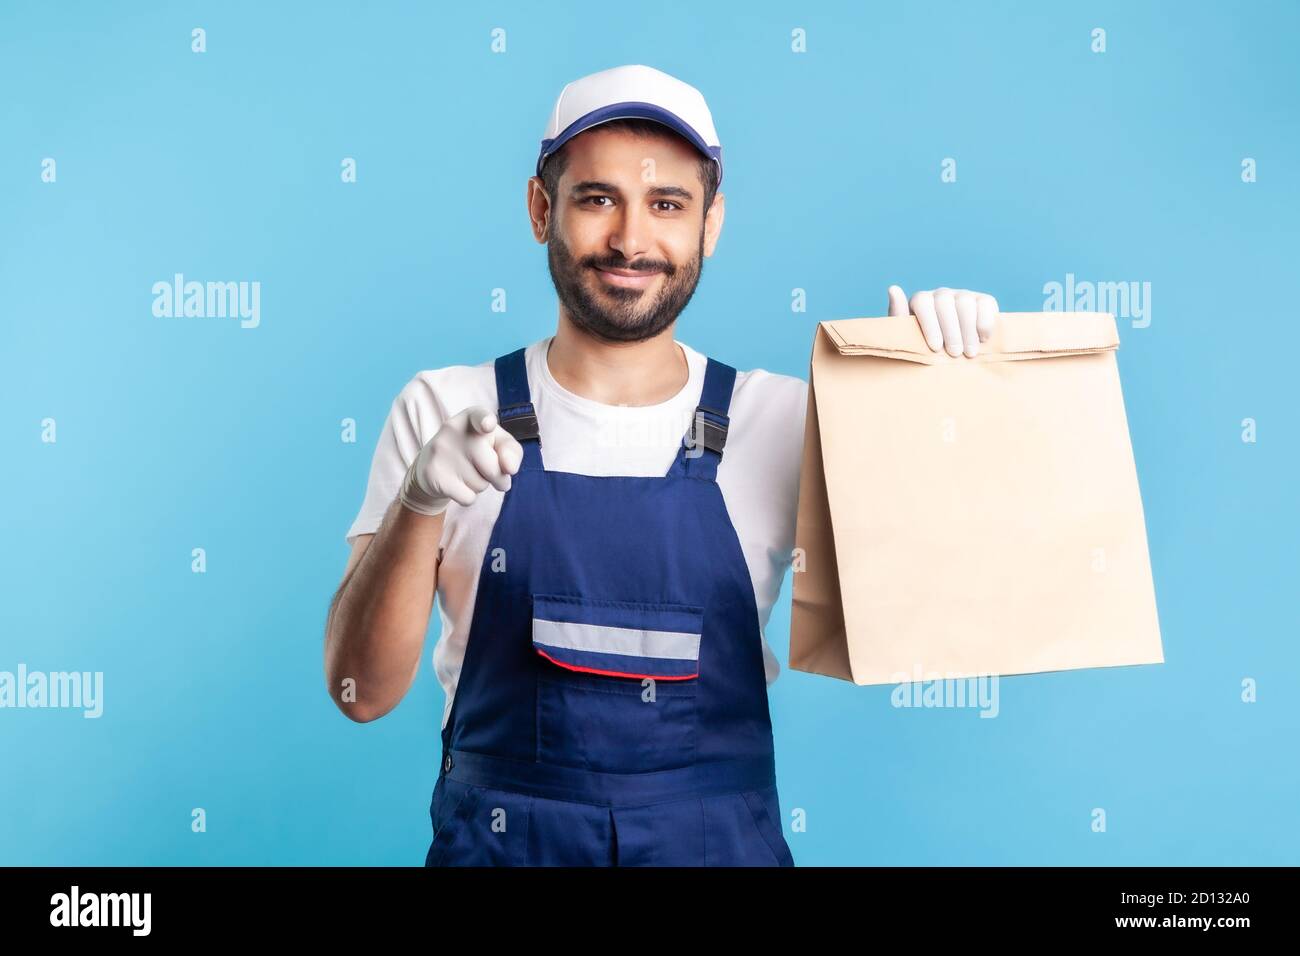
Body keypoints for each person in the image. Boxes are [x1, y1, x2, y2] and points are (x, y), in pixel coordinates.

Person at [323, 64, 999, 866]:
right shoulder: (443, 409)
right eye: (597, 198)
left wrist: (944, 400)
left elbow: (927, 622)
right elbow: (358, 694)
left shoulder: (783, 422)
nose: (631, 240)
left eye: (667, 204)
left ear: (711, 224)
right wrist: (420, 498)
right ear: (542, 210)